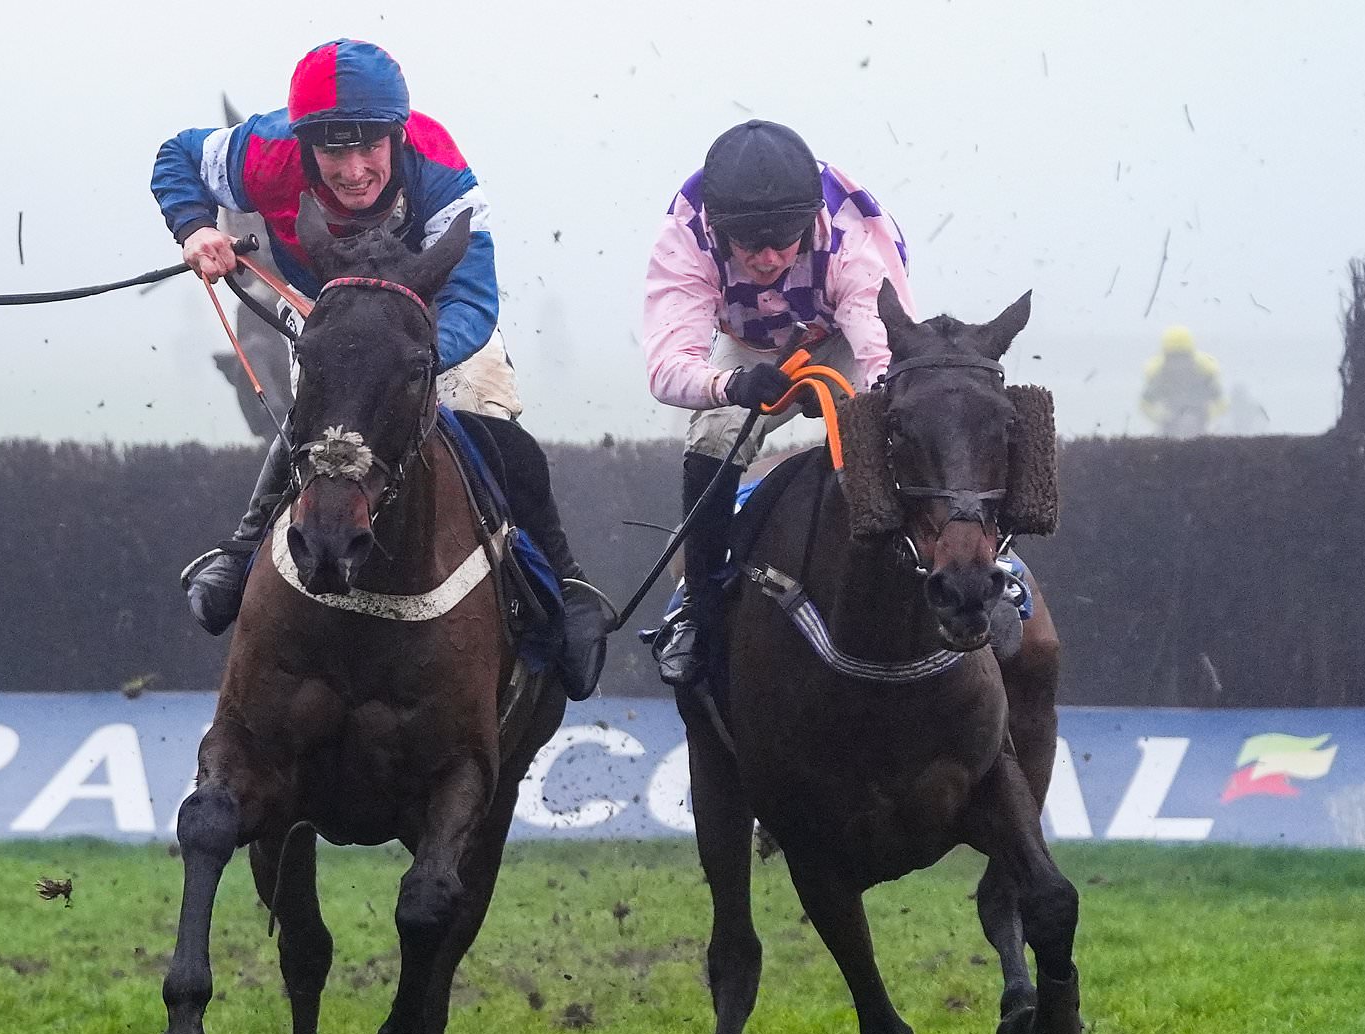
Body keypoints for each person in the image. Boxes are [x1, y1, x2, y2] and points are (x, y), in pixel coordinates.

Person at [151, 39, 607, 699]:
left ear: (398, 137)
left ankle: (565, 588)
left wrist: (406, 358)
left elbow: (474, 300)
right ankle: (242, 550)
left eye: (370, 148)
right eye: (334, 151)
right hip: (332, 319)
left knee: (483, 416)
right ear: (305, 144)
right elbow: (177, 156)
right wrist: (195, 227)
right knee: (318, 420)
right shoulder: (264, 149)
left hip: (434, 326)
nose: (355, 170)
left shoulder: (443, 173)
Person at [641, 120, 914, 685]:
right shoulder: (686, 232)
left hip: (842, 332)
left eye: (782, 240)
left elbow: (882, 355)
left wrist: (874, 399)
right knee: (714, 431)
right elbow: (667, 367)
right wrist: (731, 386)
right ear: (717, 227)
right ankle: (700, 606)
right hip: (749, 343)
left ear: (810, 220)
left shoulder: (854, 237)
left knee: (891, 422)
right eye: (748, 243)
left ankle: (953, 573)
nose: (766, 258)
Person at [1140, 326, 1224, 438]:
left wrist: (1205, 415)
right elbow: (1145, 403)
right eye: (1173, 357)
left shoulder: (1204, 373)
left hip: (1188, 427)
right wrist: (1163, 418)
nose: (1179, 364)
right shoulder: (1160, 376)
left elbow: (1220, 402)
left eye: (1183, 357)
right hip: (1174, 428)